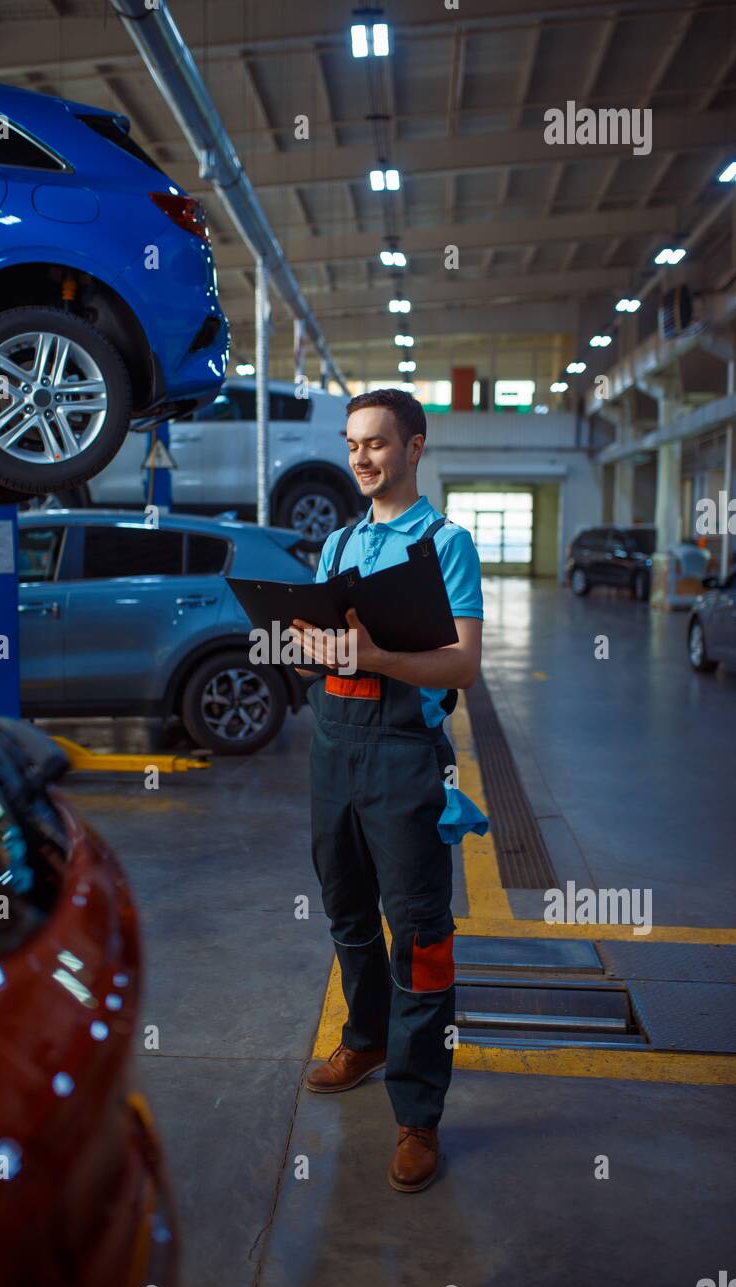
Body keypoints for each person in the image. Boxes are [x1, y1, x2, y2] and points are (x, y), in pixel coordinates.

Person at [292, 388, 484, 1193]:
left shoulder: (447, 544)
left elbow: (462, 666)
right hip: (333, 751)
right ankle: (365, 1037)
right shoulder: (335, 545)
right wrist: (300, 648)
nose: (361, 458)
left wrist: (373, 659)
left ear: (414, 447)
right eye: (351, 444)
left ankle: (417, 1114)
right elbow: (320, 657)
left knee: (418, 934)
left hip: (405, 759)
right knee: (345, 912)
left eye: (376, 443)